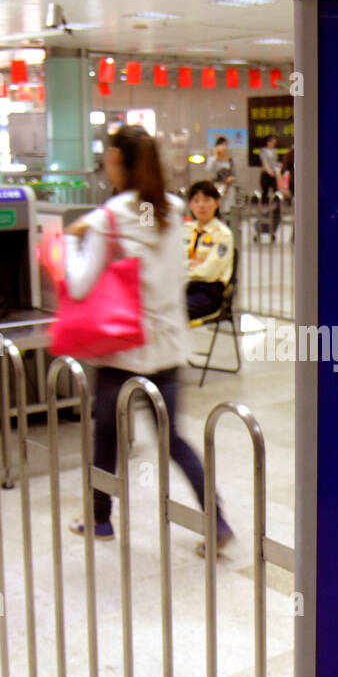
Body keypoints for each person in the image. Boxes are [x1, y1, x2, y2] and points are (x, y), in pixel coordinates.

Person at [63, 126, 232, 556]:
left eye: (108, 157)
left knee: (106, 434)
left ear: (118, 158)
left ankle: (100, 519)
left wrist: (67, 240)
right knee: (172, 438)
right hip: (168, 347)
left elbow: (80, 285)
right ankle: (217, 521)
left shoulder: (111, 217)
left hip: (124, 349)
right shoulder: (174, 210)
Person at [183, 180, 234, 319]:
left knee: (174, 312)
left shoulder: (222, 234)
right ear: (190, 205)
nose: (201, 206)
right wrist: (189, 264)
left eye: (207, 200)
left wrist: (184, 270)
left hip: (208, 291)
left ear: (216, 203)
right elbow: (171, 262)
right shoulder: (186, 230)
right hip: (183, 286)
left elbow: (209, 272)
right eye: (196, 201)